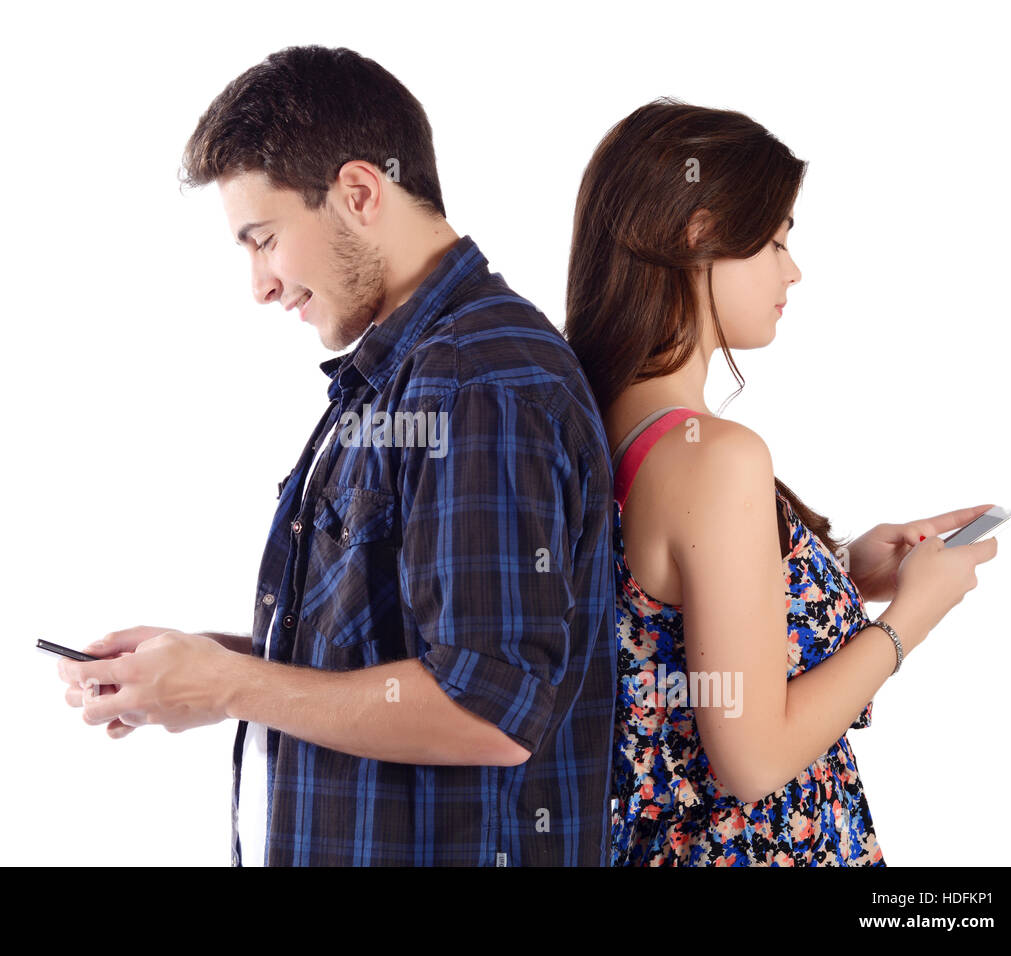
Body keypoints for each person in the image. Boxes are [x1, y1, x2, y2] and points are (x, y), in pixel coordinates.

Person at [57, 45, 617, 866]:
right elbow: (391, 655)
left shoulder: (476, 384)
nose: (259, 284)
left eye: (263, 238)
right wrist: (200, 670)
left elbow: (488, 710)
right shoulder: (407, 373)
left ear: (359, 191)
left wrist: (231, 686)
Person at [563, 98, 998, 865]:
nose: (791, 269)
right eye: (773, 240)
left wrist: (839, 573)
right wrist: (911, 619)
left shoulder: (606, 433)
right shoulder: (716, 457)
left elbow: (671, 632)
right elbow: (755, 758)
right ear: (700, 234)